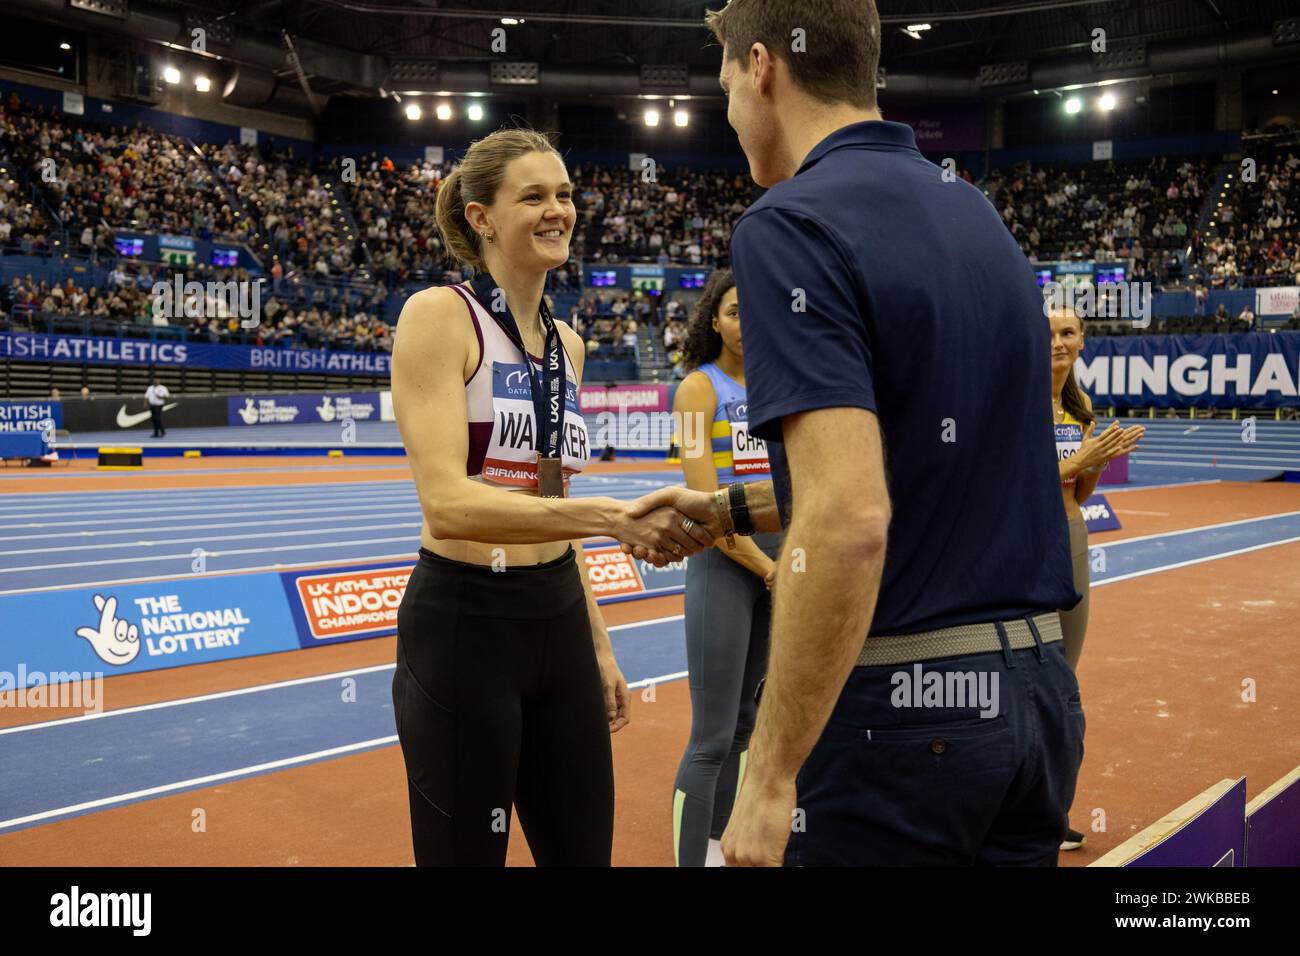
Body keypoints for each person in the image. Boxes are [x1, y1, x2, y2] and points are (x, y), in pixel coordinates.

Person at [629, 0, 1083, 866]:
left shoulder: (791, 225)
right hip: (1035, 698)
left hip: (902, 717)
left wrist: (766, 776)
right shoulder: (978, 215)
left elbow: (849, 518)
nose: (727, 110)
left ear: (763, 67)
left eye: (724, 82)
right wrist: (727, 507)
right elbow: (930, 472)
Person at [391, 127, 721, 867]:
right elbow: (449, 503)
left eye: (565, 195)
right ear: (481, 218)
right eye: (533, 196)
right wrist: (613, 517)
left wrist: (597, 642)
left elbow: (550, 505)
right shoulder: (439, 317)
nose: (558, 211)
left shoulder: (565, 345)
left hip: (559, 623)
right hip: (465, 624)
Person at [667, 268, 780, 867]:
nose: (746, 323)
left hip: (778, 565)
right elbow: (706, 505)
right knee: (711, 734)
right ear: (715, 320)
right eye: (734, 312)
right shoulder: (695, 391)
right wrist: (766, 568)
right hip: (727, 566)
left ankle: (717, 847)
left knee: (746, 722)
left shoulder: (781, 385)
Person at [1048, 305, 1144, 849]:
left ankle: (1053, 813)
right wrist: (1079, 458)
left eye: (1067, 333)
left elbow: (1079, 494)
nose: (1058, 343)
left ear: (1082, 341)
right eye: (1048, 334)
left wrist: (1098, 461)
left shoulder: (1080, 409)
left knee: (1065, 684)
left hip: (1072, 538)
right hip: (1022, 543)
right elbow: (1015, 479)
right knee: (1023, 679)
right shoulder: (1013, 402)